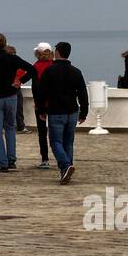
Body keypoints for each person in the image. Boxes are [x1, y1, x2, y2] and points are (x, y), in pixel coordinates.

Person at [0, 33, 35, 172]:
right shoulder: (12, 58)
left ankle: (2, 162)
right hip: (11, 97)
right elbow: (32, 70)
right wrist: (20, 80)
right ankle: (11, 160)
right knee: (10, 128)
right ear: (5, 43)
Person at [37, 40, 89, 184]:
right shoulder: (76, 72)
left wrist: (41, 110)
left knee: (55, 142)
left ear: (57, 52)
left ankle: (66, 166)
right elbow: (83, 94)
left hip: (56, 112)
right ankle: (65, 171)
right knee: (68, 142)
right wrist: (84, 112)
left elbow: (42, 93)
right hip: (72, 111)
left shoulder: (49, 71)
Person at [31, 42, 54, 169]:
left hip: (40, 104)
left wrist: (39, 105)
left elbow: (36, 88)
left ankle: (45, 159)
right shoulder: (54, 65)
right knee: (56, 132)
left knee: (42, 132)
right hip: (54, 104)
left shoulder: (35, 66)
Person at [6, 45, 29, 133]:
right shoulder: (16, 64)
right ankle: (20, 126)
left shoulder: (17, 64)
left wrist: (19, 80)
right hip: (13, 89)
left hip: (15, 88)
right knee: (16, 109)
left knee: (18, 109)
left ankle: (20, 126)